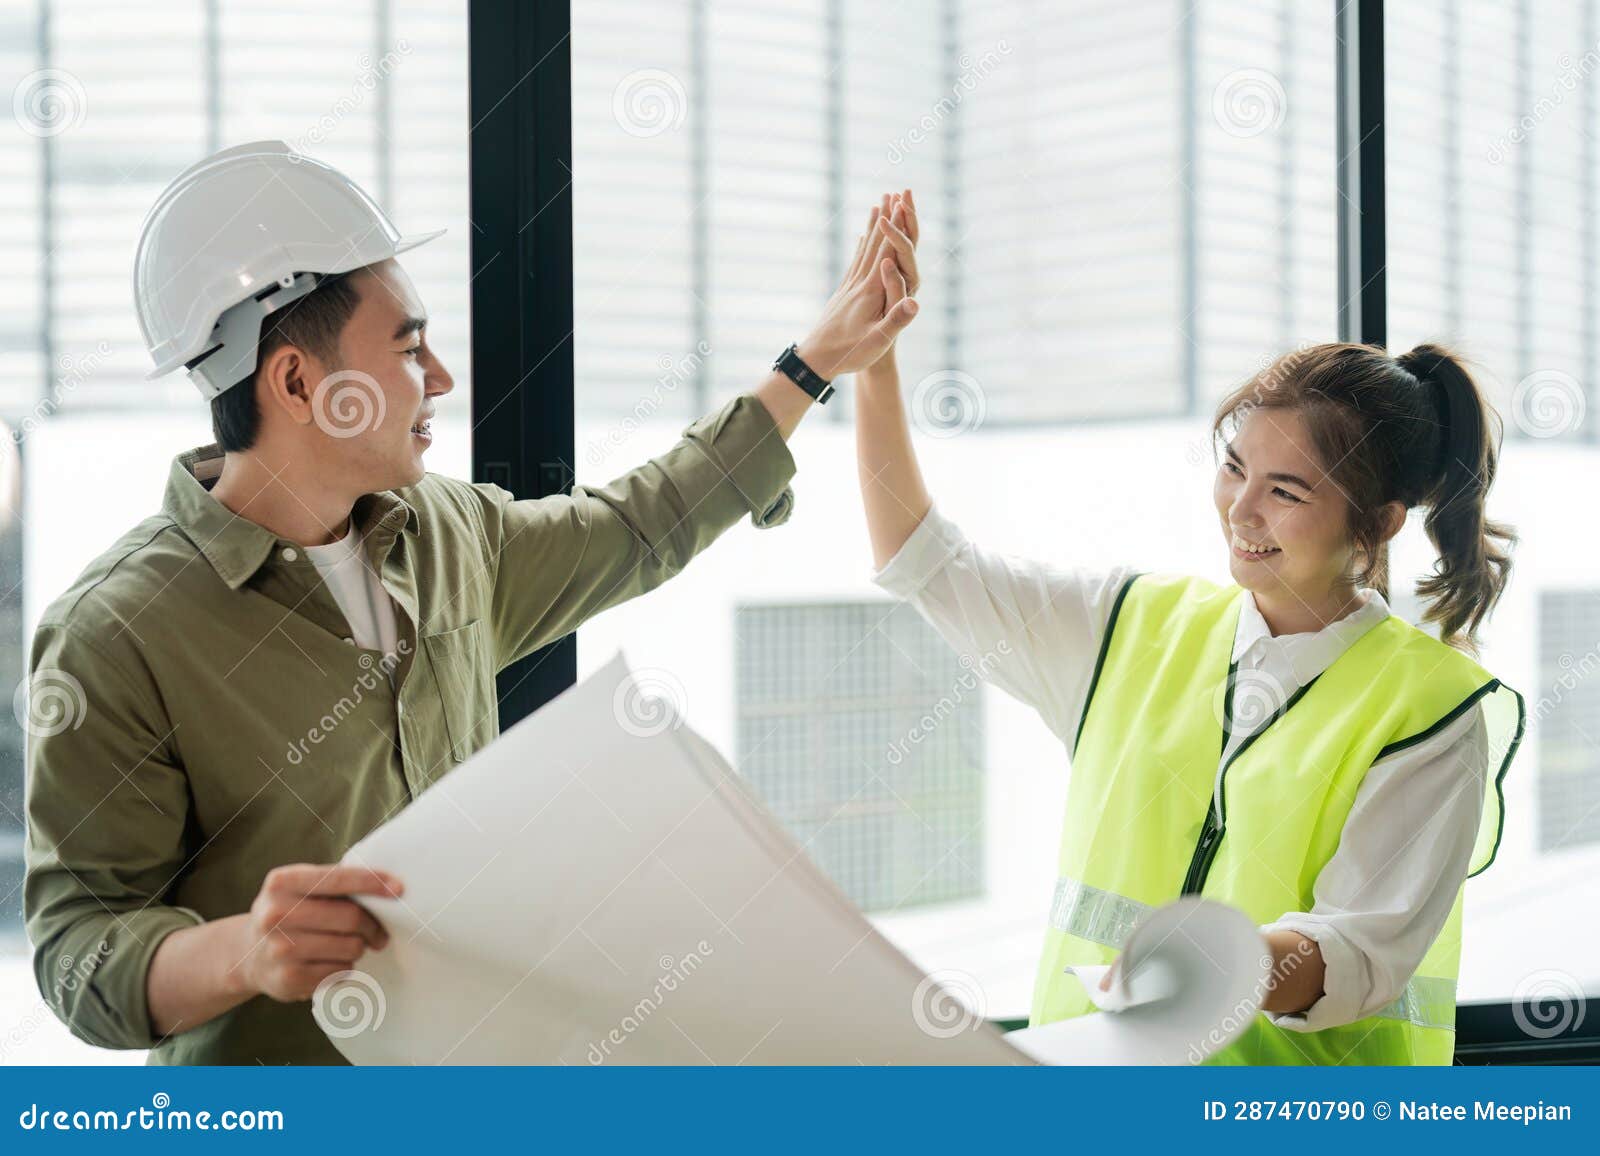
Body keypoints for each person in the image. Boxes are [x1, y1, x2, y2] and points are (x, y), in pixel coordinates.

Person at [22, 141, 918, 1065]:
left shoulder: (447, 532)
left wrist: (814, 364)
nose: (441, 377)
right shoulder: (117, 632)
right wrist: (243, 951)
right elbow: (75, 948)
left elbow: (636, 526)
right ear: (297, 383)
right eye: (409, 348)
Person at [856, 190, 1525, 1065]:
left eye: (1287, 492)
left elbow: (1358, 951)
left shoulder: (1432, 714)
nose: (1242, 510)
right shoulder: (1131, 626)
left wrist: (1213, 966)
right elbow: (926, 562)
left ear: (1381, 522)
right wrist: (875, 363)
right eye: (1235, 469)